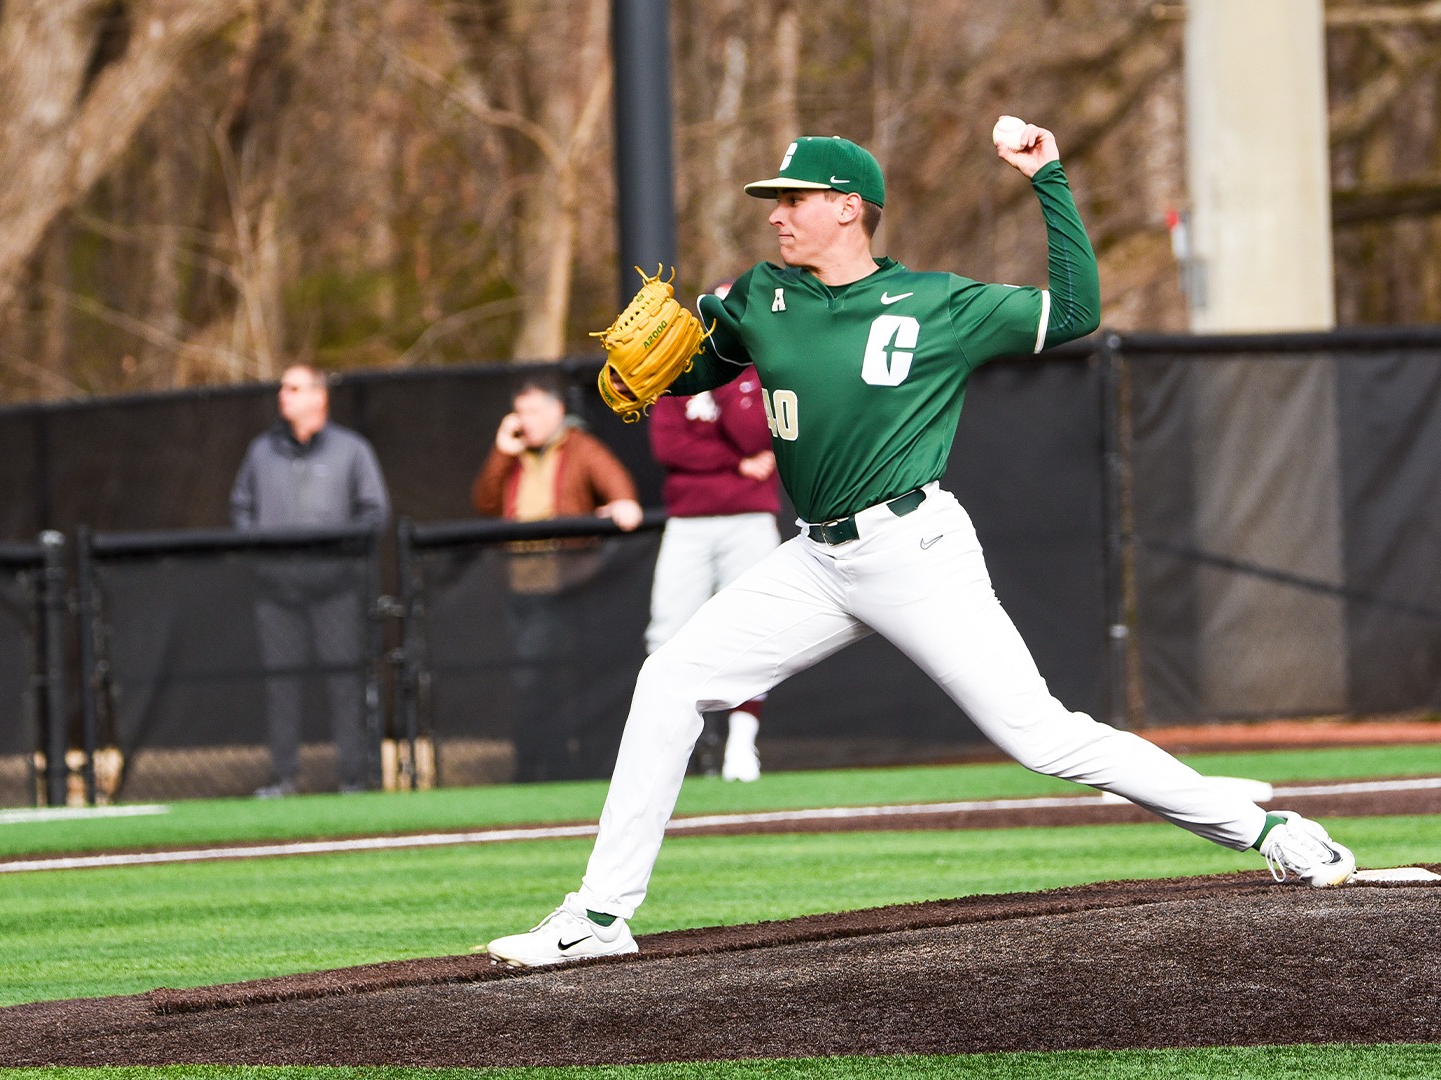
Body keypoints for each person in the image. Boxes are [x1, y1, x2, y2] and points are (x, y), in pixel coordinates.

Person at [489, 127, 1355, 967]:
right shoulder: (761, 296)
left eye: (793, 199)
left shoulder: (941, 303)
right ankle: (600, 914)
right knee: (670, 682)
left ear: (849, 209)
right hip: (814, 560)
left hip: (914, 548)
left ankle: (1274, 832)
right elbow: (687, 372)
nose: (775, 214)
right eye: (774, 200)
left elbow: (1079, 311)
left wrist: (1047, 179)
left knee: (1045, 739)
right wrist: (654, 375)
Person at [231, 363, 390, 797]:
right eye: (283, 388)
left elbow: (375, 513)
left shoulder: (351, 450)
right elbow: (240, 509)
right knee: (280, 688)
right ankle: (283, 777)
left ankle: (353, 778)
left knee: (345, 685)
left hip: (336, 592)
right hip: (276, 592)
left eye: (295, 387)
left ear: (319, 397)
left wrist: (337, 557)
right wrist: (261, 551)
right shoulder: (261, 451)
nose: (284, 395)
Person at [473, 378, 642, 781]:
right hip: (519, 583)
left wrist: (621, 505)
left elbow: (620, 488)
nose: (524, 421)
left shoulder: (580, 447)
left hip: (566, 583)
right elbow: (485, 502)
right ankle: (537, 763)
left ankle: (551, 766)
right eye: (520, 412)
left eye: (532, 411)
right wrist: (501, 451)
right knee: (529, 679)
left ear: (554, 412)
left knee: (547, 678)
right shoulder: (513, 453)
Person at [646, 346, 781, 782]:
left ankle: (742, 742)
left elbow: (756, 438)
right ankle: (662, 745)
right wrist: (735, 463)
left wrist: (726, 384)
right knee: (667, 633)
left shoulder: (765, 373)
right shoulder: (678, 374)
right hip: (688, 522)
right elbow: (668, 447)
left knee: (754, 630)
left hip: (748, 519)